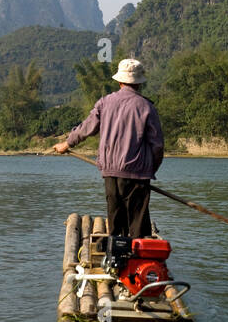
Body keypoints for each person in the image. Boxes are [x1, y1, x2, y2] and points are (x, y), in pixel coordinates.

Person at [52, 58, 164, 238]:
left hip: (111, 172)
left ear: (120, 81)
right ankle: (137, 258)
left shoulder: (105, 103)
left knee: (115, 219)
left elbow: (85, 128)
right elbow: (157, 146)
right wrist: (150, 170)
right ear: (139, 83)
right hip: (138, 175)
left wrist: (66, 144)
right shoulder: (147, 107)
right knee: (137, 224)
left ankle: (115, 259)